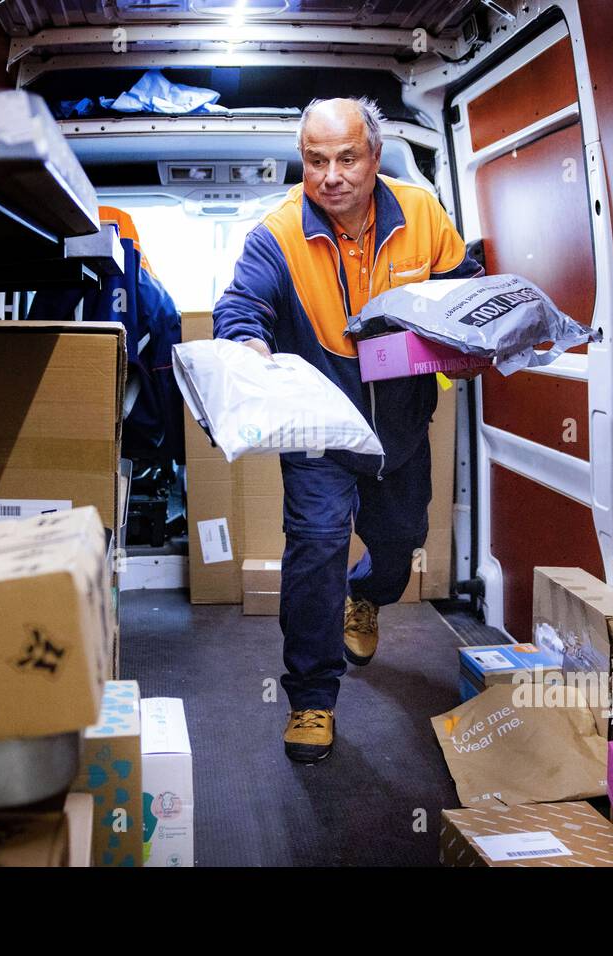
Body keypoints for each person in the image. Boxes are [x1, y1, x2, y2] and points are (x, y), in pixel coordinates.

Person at [212, 97, 482, 762]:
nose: (331, 175)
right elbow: (241, 306)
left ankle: (368, 595)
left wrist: (475, 338)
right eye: (315, 160)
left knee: (400, 539)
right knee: (315, 544)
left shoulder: (420, 214)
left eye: (346, 158)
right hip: (318, 426)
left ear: (375, 156)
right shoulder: (275, 233)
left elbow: (461, 286)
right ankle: (310, 698)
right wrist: (246, 345)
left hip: (399, 419)